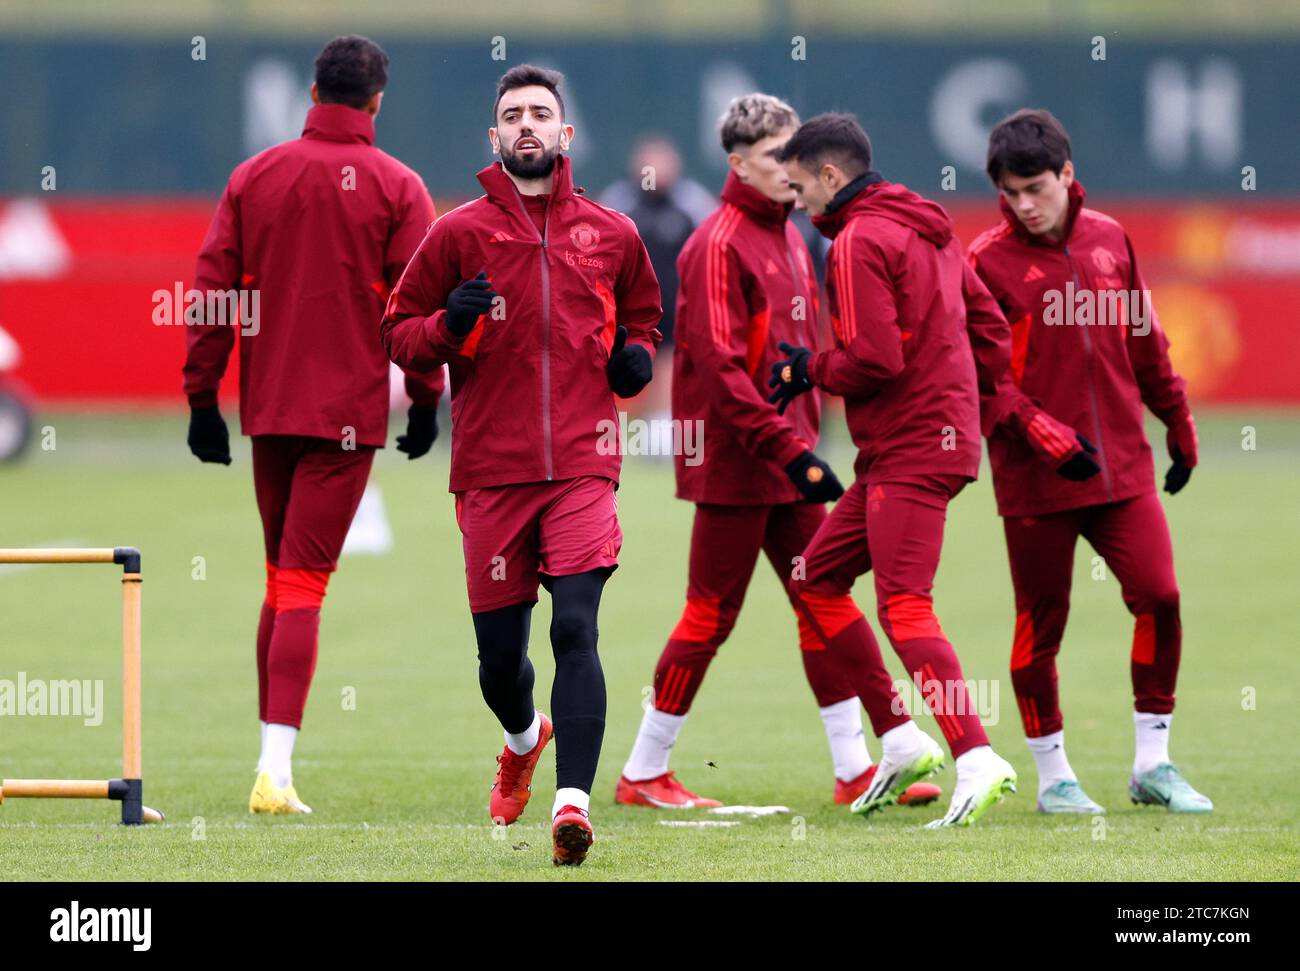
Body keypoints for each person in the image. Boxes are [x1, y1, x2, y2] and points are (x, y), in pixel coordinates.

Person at [617, 94, 939, 812]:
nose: (792, 170)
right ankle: (643, 769)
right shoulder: (717, 243)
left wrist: (803, 442)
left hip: (789, 456)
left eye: (795, 155)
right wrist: (790, 450)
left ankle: (862, 762)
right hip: (738, 460)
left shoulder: (794, 233)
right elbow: (724, 375)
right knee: (710, 614)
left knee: (820, 600)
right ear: (737, 164)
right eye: (773, 159)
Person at [380, 65, 663, 865]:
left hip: (583, 464)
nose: (528, 125)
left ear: (566, 136)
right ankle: (521, 735)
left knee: (577, 626)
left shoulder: (613, 232)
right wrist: (444, 328)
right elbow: (396, 329)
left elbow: (644, 314)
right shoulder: (458, 232)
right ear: (494, 138)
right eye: (513, 116)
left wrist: (637, 357)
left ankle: (572, 805)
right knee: (500, 662)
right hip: (490, 472)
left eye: (542, 113)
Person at [183, 35, 444, 814]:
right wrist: (426, 400)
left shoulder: (253, 176)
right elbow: (419, 308)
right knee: (301, 584)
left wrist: (202, 399)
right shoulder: (399, 187)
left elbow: (211, 297)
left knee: (280, 582)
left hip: (269, 412)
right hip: (346, 419)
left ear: (311, 91)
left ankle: (271, 757)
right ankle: (276, 771)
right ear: (376, 101)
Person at [771, 113, 1018, 828]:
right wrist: (971, 405)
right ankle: (903, 738)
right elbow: (991, 329)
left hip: (910, 445)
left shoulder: (855, 241)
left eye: (798, 187)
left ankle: (976, 755)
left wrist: (806, 369)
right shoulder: (927, 226)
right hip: (920, 442)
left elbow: (876, 360)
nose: (797, 204)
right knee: (814, 581)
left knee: (904, 605)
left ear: (829, 176)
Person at [967, 108, 1210, 813]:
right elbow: (985, 381)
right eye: (1009, 193)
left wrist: (1179, 420)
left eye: (1035, 188)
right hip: (1034, 478)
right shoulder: (986, 261)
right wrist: (1039, 431)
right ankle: (1054, 778)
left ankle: (1153, 764)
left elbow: (1146, 340)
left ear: (1068, 175)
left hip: (1122, 468)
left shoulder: (1110, 238)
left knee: (1160, 596)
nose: (1023, 205)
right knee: (1040, 623)